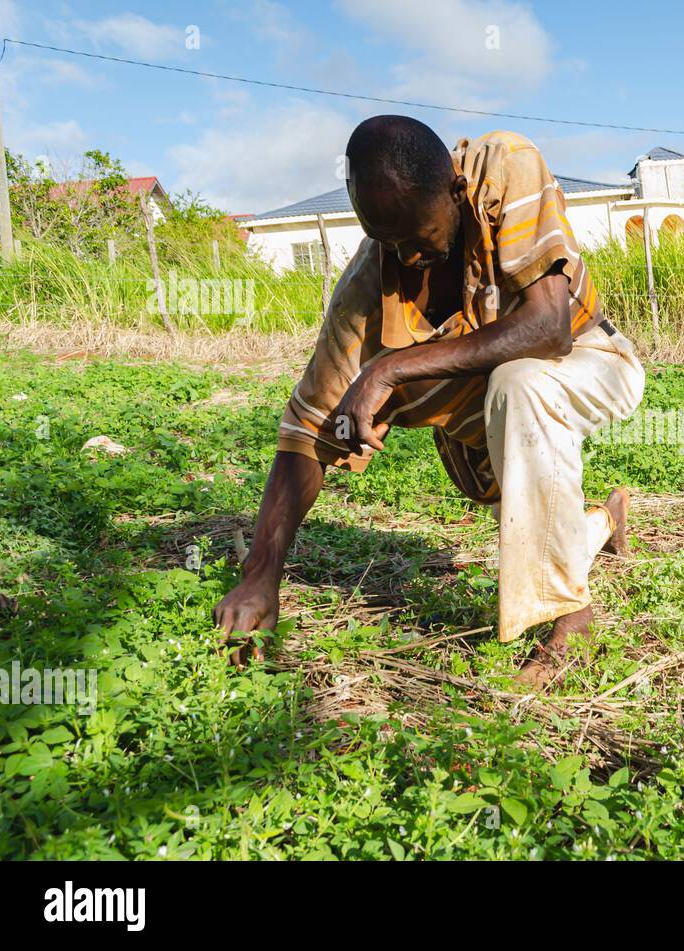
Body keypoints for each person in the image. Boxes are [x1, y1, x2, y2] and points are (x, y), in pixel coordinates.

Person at [213, 116, 645, 689]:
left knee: (520, 384)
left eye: (417, 235)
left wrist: (390, 366)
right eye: (387, 240)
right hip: (487, 424)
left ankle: (573, 624)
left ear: (452, 189)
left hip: (592, 359)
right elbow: (307, 432)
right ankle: (606, 519)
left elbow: (548, 326)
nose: (407, 256)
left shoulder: (503, 167)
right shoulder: (367, 289)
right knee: (543, 529)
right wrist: (260, 574)